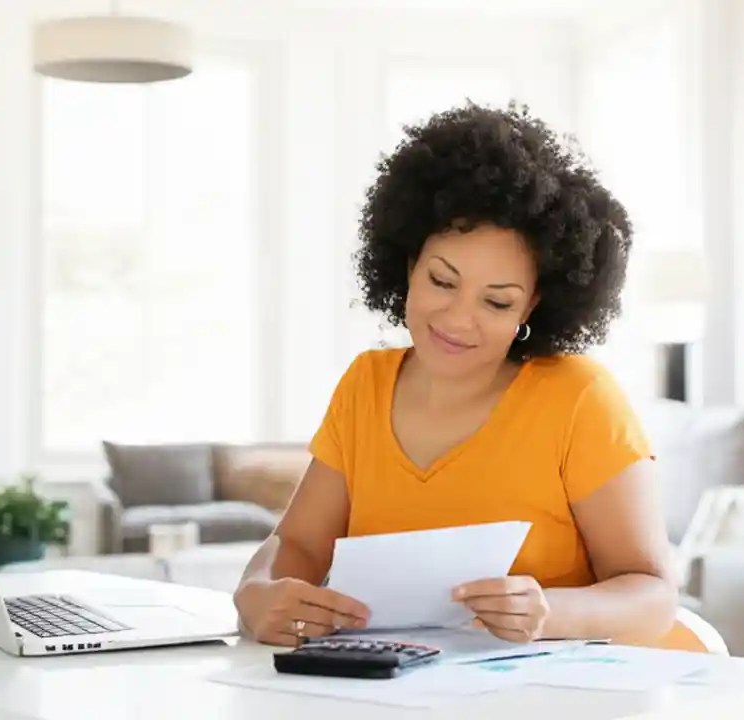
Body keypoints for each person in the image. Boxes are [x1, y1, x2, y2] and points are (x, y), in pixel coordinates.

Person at [234, 102, 676, 647]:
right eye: (443, 282)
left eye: (496, 301)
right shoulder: (365, 385)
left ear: (533, 306)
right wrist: (256, 592)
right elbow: (298, 544)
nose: (457, 320)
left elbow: (653, 598)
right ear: (408, 263)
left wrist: (550, 612)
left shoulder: (580, 398)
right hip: (400, 691)